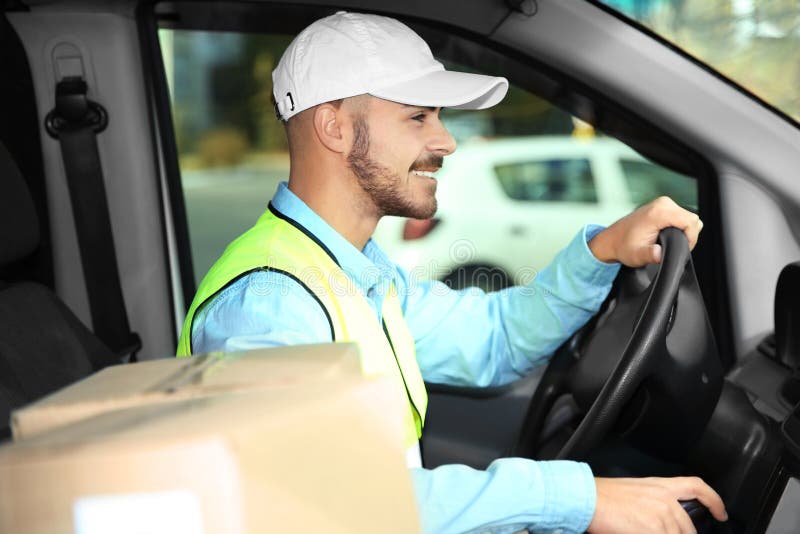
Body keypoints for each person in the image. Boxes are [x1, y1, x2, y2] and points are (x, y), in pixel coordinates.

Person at [177, 11, 727, 534]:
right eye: (418, 116)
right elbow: (323, 501)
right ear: (335, 128)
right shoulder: (269, 304)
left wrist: (602, 250)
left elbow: (497, 337)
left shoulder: (355, 270)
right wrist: (576, 498)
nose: (446, 141)